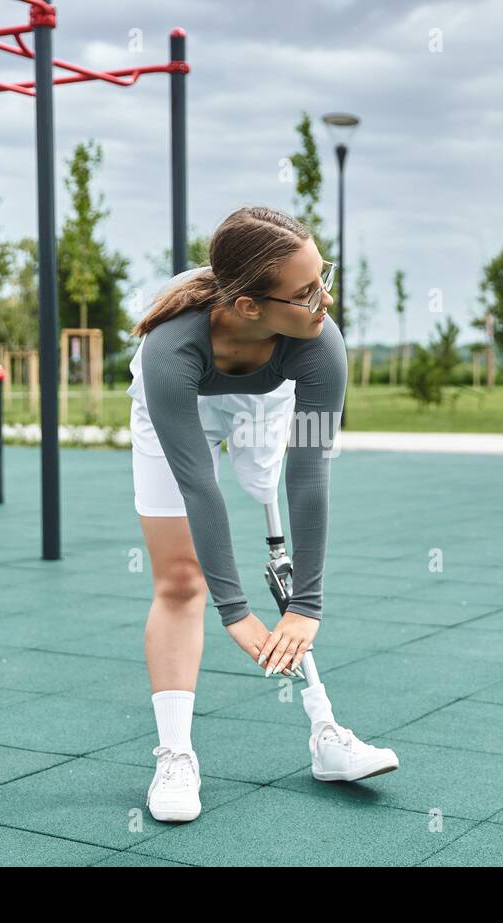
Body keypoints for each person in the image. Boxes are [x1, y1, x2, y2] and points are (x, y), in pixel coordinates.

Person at [128, 205, 398, 823]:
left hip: (264, 401)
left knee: (274, 512)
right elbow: (199, 486)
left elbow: (310, 470)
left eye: (322, 278)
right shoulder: (167, 350)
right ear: (250, 304)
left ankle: (328, 737)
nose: (324, 300)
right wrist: (236, 613)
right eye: (306, 292)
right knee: (179, 579)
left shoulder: (318, 341)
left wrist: (307, 605)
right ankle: (174, 754)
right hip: (176, 405)